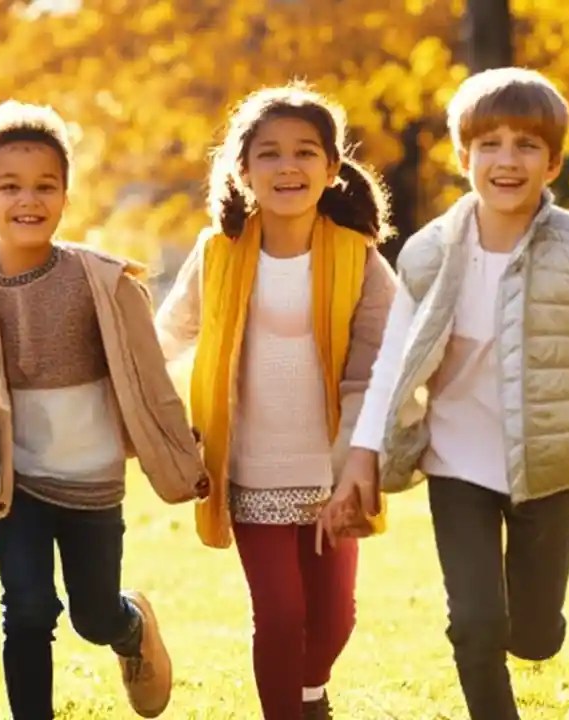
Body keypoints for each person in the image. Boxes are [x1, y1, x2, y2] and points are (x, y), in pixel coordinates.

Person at [326, 67, 569, 720]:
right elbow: (393, 368)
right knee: (476, 624)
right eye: (489, 144)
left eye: (526, 145)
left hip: (547, 464)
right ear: (464, 157)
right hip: (457, 463)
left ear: (553, 163)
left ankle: (537, 628)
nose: (507, 160)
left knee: (535, 635)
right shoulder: (430, 254)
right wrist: (361, 454)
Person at [0, 100, 208, 719]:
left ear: (65, 196)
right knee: (26, 609)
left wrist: (181, 451)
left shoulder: (101, 281)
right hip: (15, 480)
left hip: (92, 478)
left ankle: (130, 626)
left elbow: (148, 378)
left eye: (45, 187)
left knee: (92, 614)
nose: (29, 200)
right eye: (10, 187)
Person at [154, 82, 396, 720]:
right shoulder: (219, 254)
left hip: (333, 469)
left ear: (332, 168)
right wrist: (135, 396)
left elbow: (392, 352)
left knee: (335, 619)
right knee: (282, 615)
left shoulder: (359, 259)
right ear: (242, 169)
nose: (288, 166)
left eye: (305, 152)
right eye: (269, 153)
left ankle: (309, 693)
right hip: (252, 467)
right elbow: (170, 334)